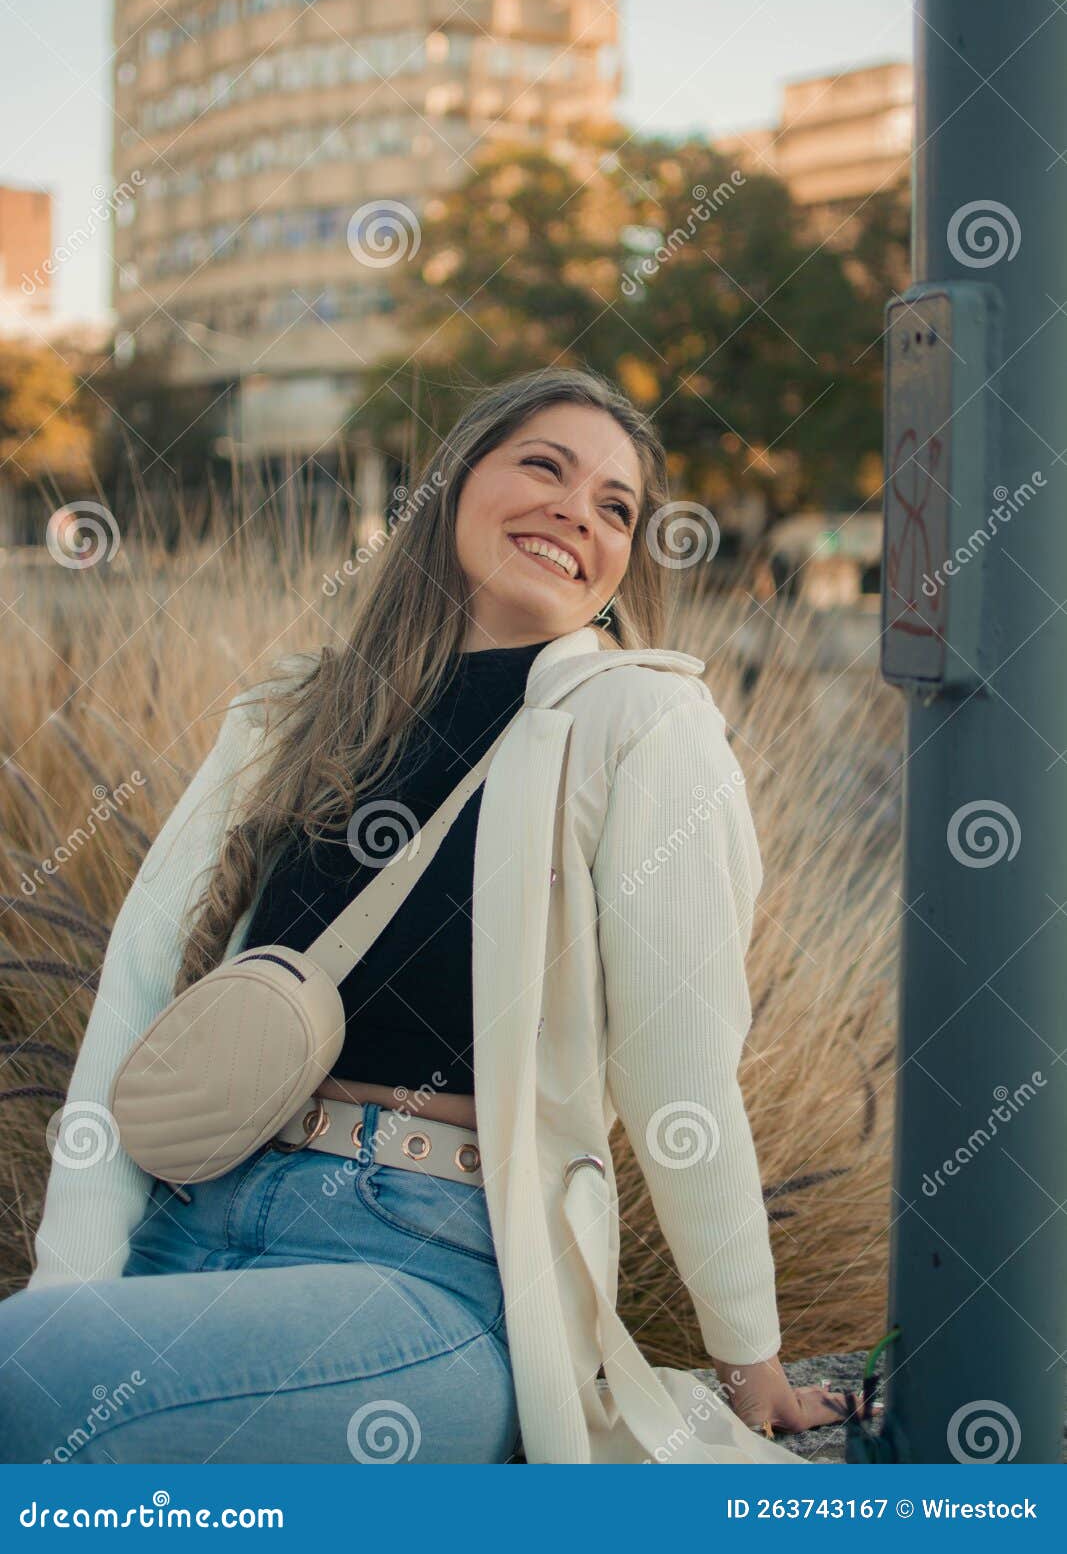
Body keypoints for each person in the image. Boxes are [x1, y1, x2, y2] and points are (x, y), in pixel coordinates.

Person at [0, 368, 851, 1464]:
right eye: (542, 466)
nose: (574, 511)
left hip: (418, 1270)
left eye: (614, 507)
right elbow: (137, 993)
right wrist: (73, 1289)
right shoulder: (293, 709)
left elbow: (679, 1073)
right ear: (453, 488)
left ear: (621, 566)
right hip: (190, 1214)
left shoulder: (642, 721)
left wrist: (748, 1359)